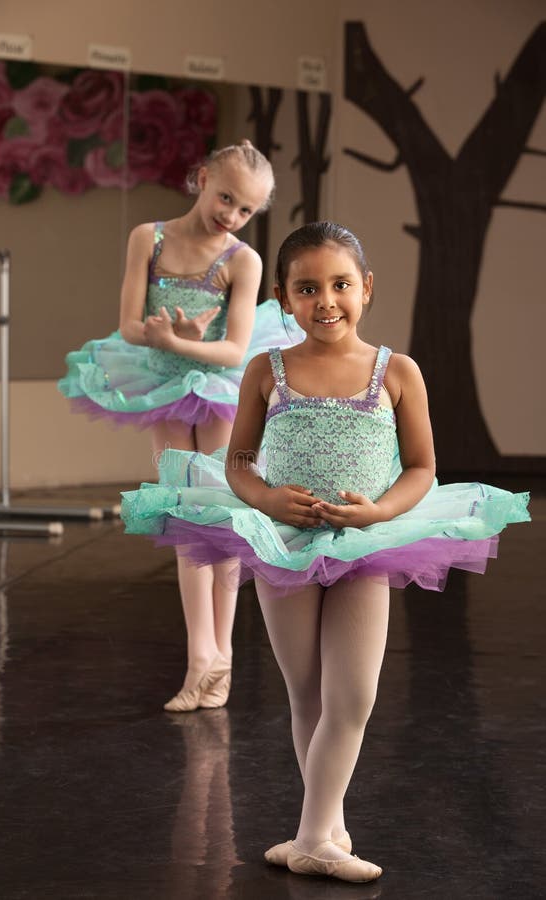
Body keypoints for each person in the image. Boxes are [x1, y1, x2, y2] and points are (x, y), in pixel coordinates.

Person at [121, 221, 529, 883]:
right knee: (306, 692)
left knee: (353, 697)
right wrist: (268, 501)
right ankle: (325, 826)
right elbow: (240, 462)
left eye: (339, 284)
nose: (326, 300)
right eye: (307, 288)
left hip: (367, 542)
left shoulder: (395, 370)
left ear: (365, 288)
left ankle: (311, 835)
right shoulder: (266, 368)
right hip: (284, 542)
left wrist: (378, 512)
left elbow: (421, 468)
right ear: (283, 298)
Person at [60, 140, 301, 713]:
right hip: (165, 386)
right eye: (226, 198)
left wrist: (190, 341)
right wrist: (168, 340)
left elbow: (237, 348)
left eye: (246, 210)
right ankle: (203, 656)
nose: (231, 215)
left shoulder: (242, 260)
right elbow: (126, 324)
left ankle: (218, 662)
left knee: (220, 517)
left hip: (219, 391)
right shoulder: (150, 238)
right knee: (181, 514)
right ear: (200, 178)